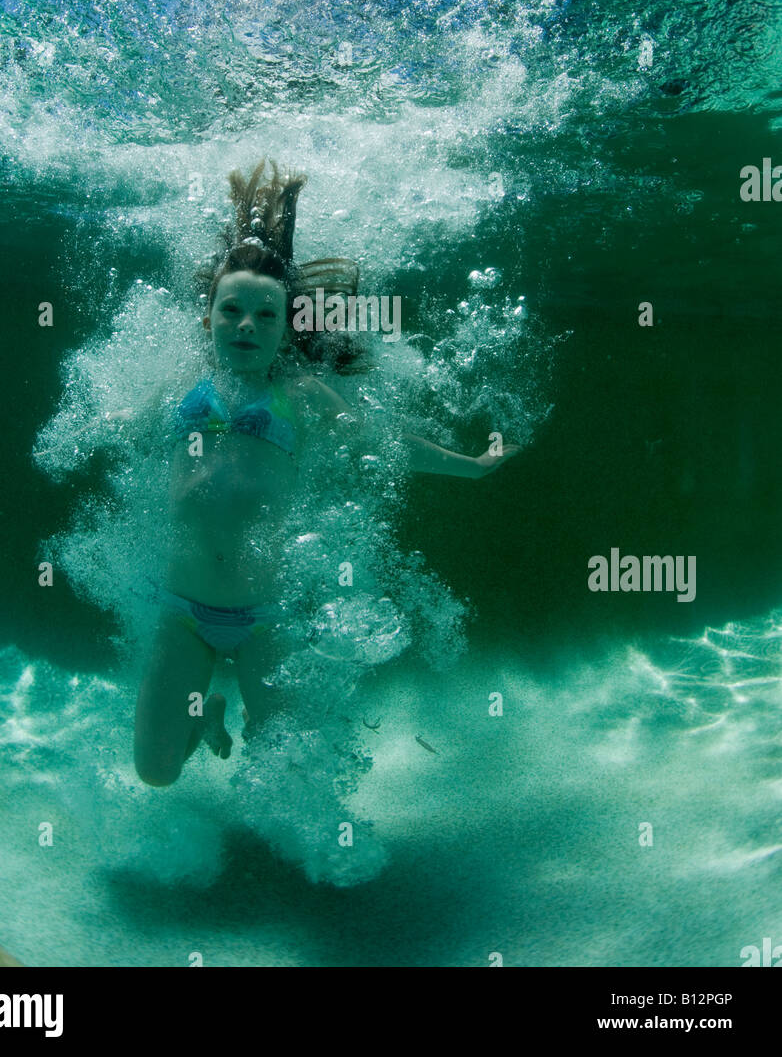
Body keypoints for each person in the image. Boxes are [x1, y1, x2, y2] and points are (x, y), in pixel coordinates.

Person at [131, 160, 521, 786]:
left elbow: (386, 443)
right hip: (183, 611)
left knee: (286, 768)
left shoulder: (303, 396)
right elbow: (117, 422)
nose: (247, 325)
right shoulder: (183, 388)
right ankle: (205, 714)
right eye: (232, 310)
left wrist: (471, 467)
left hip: (265, 617)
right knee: (155, 771)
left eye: (265, 316)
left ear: (287, 330)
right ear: (209, 316)